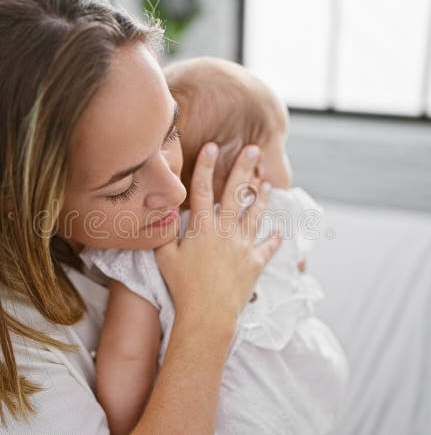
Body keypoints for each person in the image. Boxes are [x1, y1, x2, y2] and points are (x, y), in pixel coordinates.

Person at [0, 0, 281, 433]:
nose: (175, 192)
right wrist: (209, 315)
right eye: (121, 185)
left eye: (170, 131)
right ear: (12, 197)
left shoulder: (129, 216)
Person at [82, 57, 349, 434]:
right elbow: (297, 275)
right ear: (254, 170)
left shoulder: (147, 248)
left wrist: (127, 425)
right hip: (306, 395)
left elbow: (126, 355)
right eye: (282, 150)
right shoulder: (281, 217)